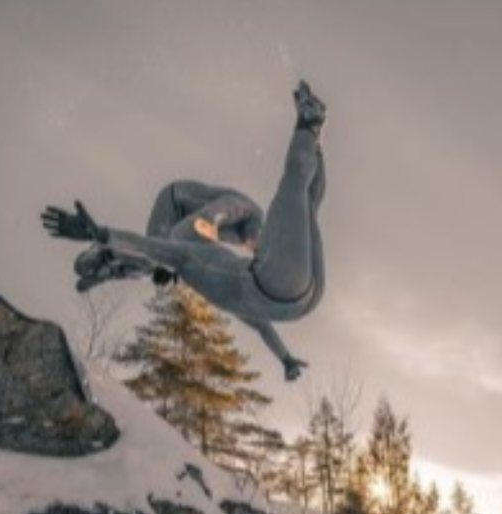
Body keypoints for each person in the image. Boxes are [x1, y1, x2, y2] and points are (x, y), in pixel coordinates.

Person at [42, 81, 327, 382]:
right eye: (253, 243)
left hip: (295, 299)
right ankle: (115, 260)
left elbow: (261, 325)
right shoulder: (227, 224)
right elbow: (210, 217)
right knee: (169, 248)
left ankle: (313, 131)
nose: (252, 247)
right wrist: (102, 234)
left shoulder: (223, 270)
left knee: (301, 196)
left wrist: (285, 358)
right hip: (178, 205)